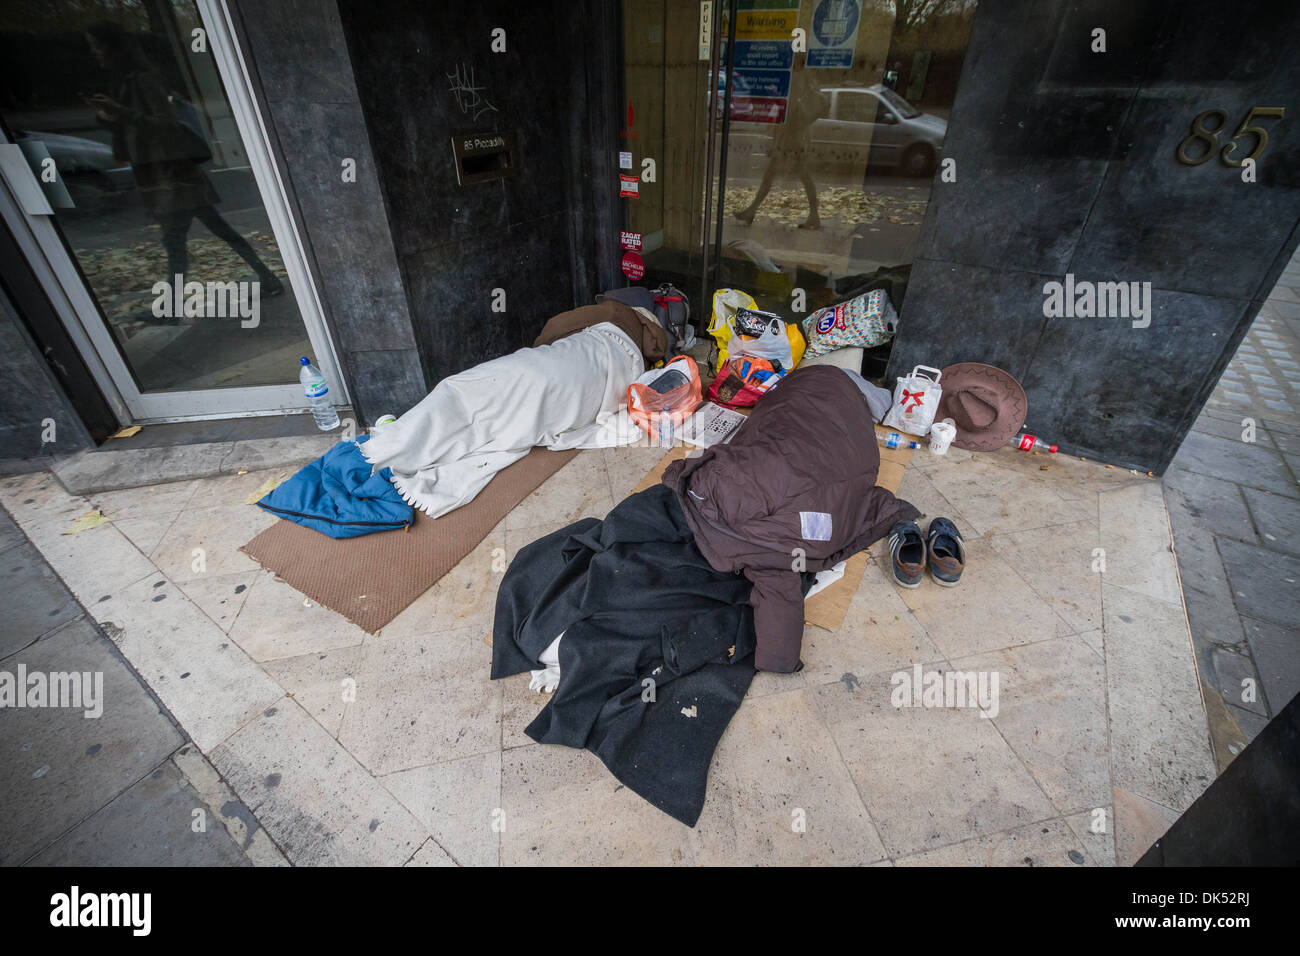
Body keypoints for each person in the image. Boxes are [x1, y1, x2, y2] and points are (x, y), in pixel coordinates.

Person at [83, 20, 283, 296]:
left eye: (96, 46)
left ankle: (174, 305)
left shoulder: (141, 80)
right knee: (210, 232)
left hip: (171, 176)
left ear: (113, 48)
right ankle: (267, 279)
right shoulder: (125, 83)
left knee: (177, 239)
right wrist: (108, 116)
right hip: (167, 175)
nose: (94, 53)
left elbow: (165, 125)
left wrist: (119, 112)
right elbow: (132, 130)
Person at [733, 55, 826, 230]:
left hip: (791, 137)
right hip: (795, 135)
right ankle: (752, 210)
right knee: (797, 175)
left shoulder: (797, 78)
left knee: (784, 174)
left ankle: (752, 211)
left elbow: (788, 107)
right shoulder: (805, 78)